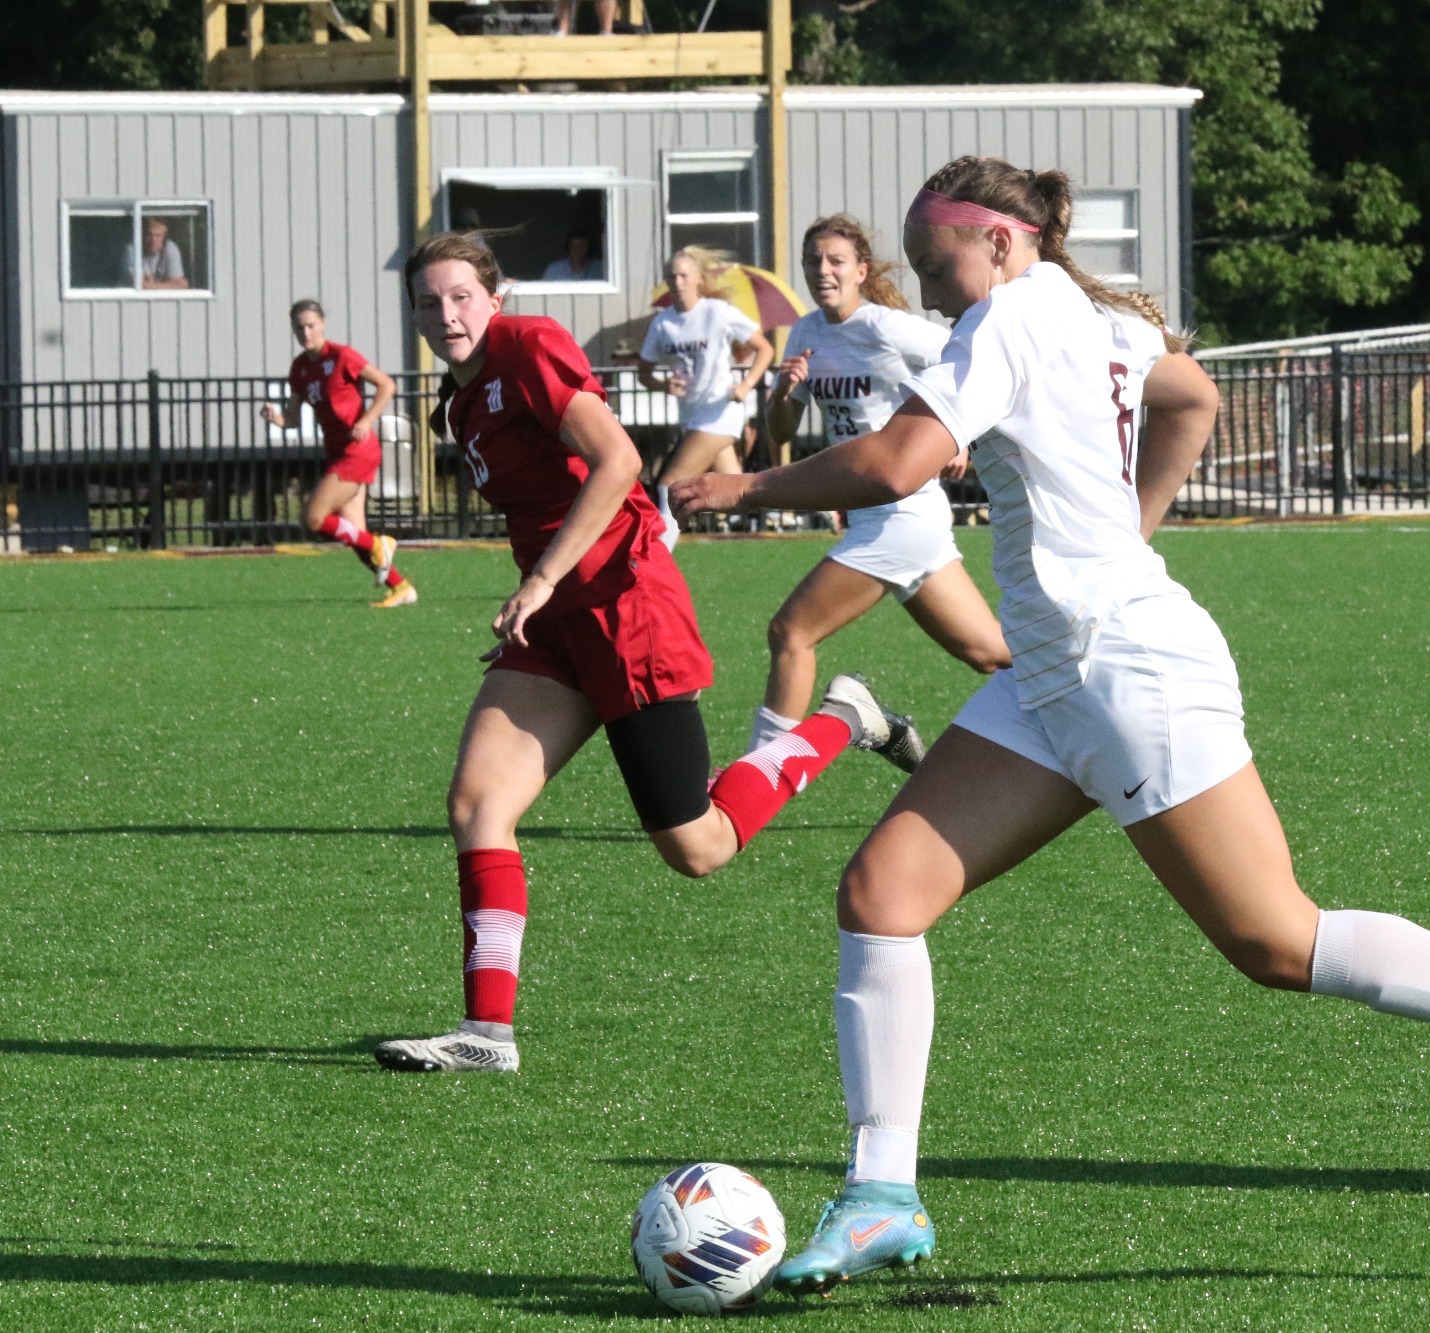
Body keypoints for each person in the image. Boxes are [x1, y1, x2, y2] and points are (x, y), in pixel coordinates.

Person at [671, 156, 1430, 1293]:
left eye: (933, 251)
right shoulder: (1079, 314)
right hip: (1055, 674)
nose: (924, 275)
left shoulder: (1010, 315)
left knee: (1275, 942)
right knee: (881, 897)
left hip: (1129, 670)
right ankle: (882, 1194)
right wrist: (1133, 526)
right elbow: (1190, 396)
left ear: (999, 241)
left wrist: (741, 489)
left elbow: (903, 463)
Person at [373, 231, 923, 1075]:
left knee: (697, 847)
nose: (444, 314)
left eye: (459, 297)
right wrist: (545, 594)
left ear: (496, 296)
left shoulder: (527, 344)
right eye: (427, 301)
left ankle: (843, 720)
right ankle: (488, 1034)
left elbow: (618, 459)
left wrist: (544, 577)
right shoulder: (459, 401)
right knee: (478, 806)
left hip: (628, 608)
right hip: (556, 626)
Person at [752, 214, 1010, 756]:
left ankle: (758, 780)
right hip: (881, 514)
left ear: (860, 270)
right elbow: (781, 432)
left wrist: (956, 436)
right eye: (813, 261)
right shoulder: (805, 333)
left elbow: (971, 363)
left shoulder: (886, 328)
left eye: (835, 260)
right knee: (991, 655)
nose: (823, 270)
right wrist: (782, 393)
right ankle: (1090, 694)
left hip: (902, 511)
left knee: (791, 633)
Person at [260, 299, 415, 607]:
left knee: (314, 517)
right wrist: (276, 418)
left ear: (322, 324)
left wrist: (366, 420)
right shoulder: (300, 368)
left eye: (311, 325)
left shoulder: (342, 355)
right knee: (353, 532)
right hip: (336, 452)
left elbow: (386, 385)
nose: (306, 332)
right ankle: (401, 588)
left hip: (358, 450)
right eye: (299, 327)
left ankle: (380, 543)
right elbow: (292, 419)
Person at [638, 247, 776, 528]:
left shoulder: (717, 312)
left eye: (683, 276)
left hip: (720, 410)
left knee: (669, 487)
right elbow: (644, 373)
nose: (677, 282)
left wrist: (747, 384)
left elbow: (765, 349)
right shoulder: (663, 322)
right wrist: (665, 386)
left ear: (699, 278)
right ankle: (775, 514)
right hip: (691, 414)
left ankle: (659, 555)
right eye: (671, 277)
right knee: (736, 494)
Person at [131, 217, 188, 291]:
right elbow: (138, 286)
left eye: (157, 235)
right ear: (142, 236)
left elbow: (181, 285)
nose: (153, 240)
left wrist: (148, 285)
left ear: (164, 236)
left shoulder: (170, 248)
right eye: (149, 235)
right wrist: (170, 285)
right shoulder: (133, 249)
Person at [540, 232, 605, 284]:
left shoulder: (600, 268)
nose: (577, 250)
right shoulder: (554, 270)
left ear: (588, 248)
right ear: (568, 248)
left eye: (581, 246)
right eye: (573, 247)